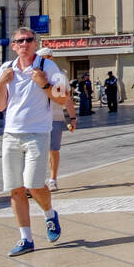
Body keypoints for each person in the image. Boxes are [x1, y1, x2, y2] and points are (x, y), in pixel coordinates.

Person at [0, 28, 65, 256]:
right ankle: (26, 239)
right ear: (13, 45)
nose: (24, 44)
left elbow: (62, 97)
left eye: (29, 40)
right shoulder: (6, 69)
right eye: (19, 41)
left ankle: (49, 214)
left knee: (33, 185)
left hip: (37, 133)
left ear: (35, 43)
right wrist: (1, 85)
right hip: (11, 134)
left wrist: (44, 84)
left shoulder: (47, 67)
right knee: (15, 190)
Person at [45, 62, 77, 191]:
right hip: (35, 120)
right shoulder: (32, 74)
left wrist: (72, 117)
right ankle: (33, 183)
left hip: (55, 117)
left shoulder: (59, 77)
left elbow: (67, 99)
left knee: (53, 149)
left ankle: (53, 179)